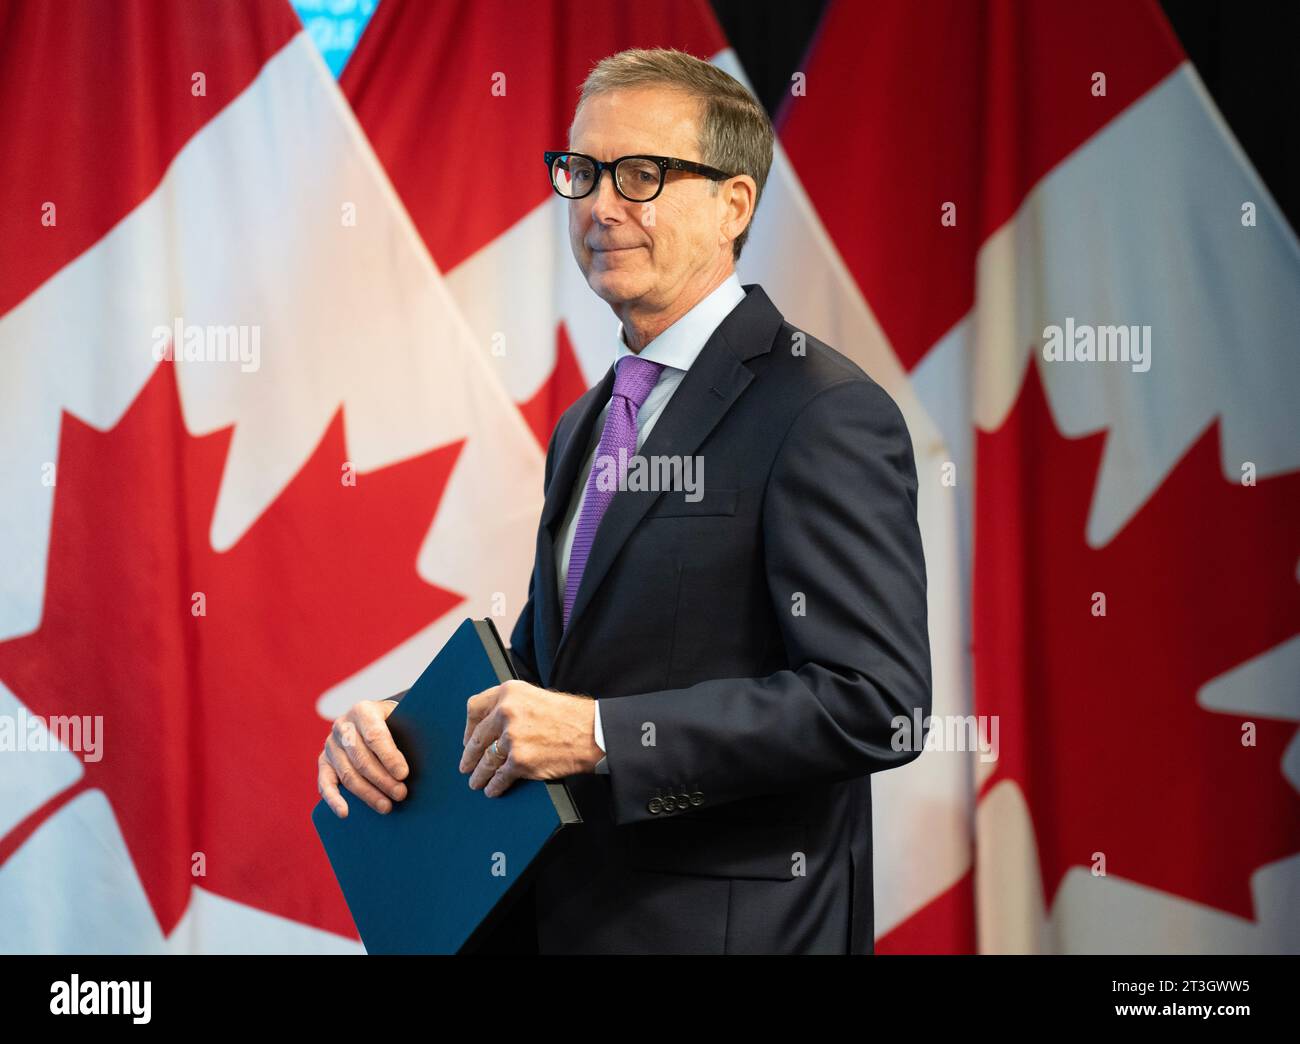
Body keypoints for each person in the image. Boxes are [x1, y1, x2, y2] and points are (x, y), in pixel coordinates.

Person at [317, 46, 931, 954]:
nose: (602, 205)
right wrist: (399, 731)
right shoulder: (590, 419)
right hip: (562, 921)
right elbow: (546, 673)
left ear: (734, 204)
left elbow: (875, 701)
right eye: (582, 171)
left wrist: (604, 736)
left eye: (642, 174)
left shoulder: (823, 410)